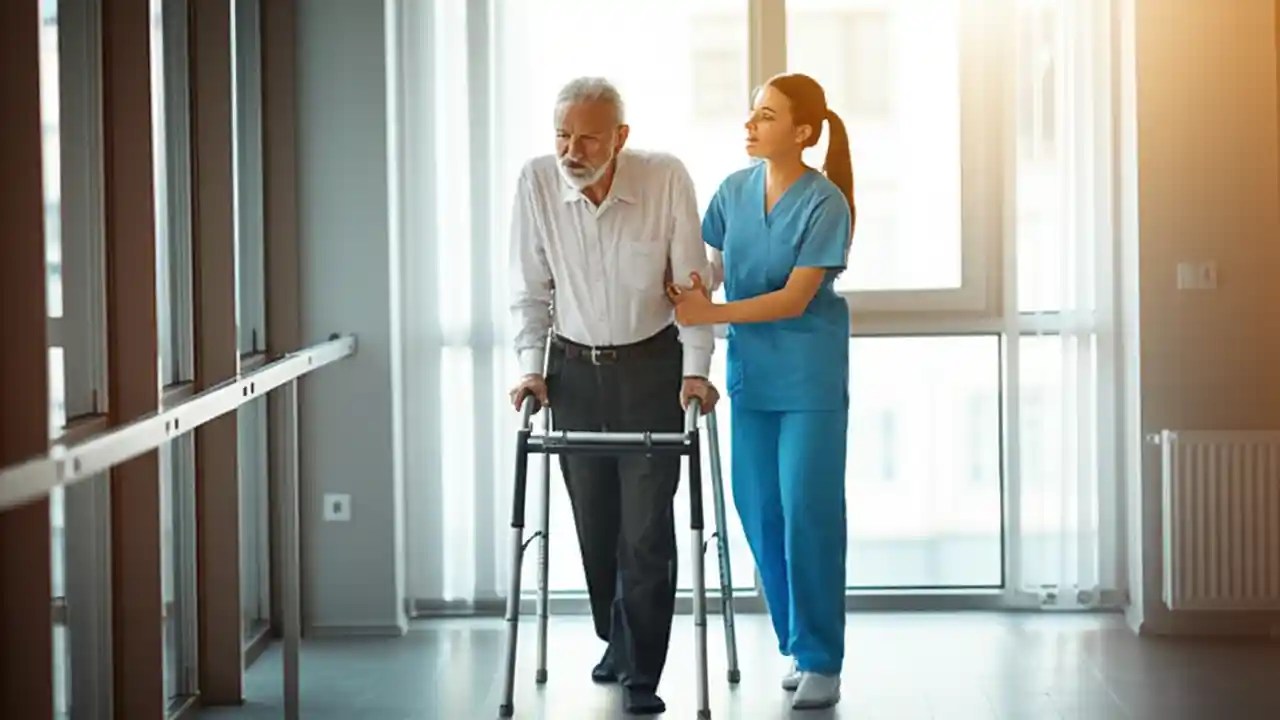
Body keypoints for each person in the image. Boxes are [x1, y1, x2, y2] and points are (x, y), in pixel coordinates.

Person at [507, 76, 719, 716]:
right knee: (595, 525)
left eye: (587, 137)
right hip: (573, 372)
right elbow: (529, 288)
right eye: (562, 135)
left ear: (620, 138)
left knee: (646, 531)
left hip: (651, 370)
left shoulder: (664, 179)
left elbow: (691, 283)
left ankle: (640, 675)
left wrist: (696, 366)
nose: (571, 150)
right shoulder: (537, 181)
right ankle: (617, 639)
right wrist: (529, 366)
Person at [666, 72, 854, 711]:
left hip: (809, 380)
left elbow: (796, 297)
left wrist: (707, 315)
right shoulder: (733, 191)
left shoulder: (826, 202)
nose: (750, 125)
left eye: (766, 116)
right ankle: (798, 646)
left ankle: (823, 656)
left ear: (802, 132)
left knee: (809, 514)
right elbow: (716, 265)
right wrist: (696, 290)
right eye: (751, 113)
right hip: (753, 379)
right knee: (760, 513)